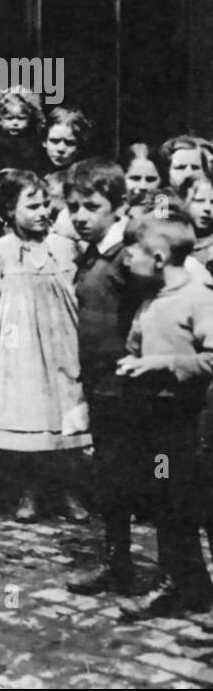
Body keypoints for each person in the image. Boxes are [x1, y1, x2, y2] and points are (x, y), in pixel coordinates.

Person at [0, 170, 90, 523]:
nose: (42, 211)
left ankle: (66, 491)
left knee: (62, 418)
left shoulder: (64, 246)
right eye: (32, 205)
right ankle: (22, 491)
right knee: (22, 415)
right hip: (15, 347)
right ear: (9, 212)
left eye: (46, 203)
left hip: (61, 344)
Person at [116, 213, 213, 620]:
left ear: (158, 257)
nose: (125, 259)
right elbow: (137, 347)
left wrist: (163, 363)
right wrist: (132, 362)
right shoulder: (151, 297)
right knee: (166, 499)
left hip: (193, 425)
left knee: (199, 506)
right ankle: (182, 584)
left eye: (132, 252)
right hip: (157, 424)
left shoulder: (200, 297)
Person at [61, 160, 144, 596]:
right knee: (110, 478)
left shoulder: (129, 256)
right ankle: (118, 564)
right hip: (102, 386)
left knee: (153, 479)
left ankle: (181, 577)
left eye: (92, 206)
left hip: (132, 388)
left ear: (120, 206)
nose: (80, 216)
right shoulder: (94, 255)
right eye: (73, 206)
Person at [0, 87, 44, 175]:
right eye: (9, 118)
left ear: (29, 119)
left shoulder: (33, 142)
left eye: (21, 118)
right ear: (0, 120)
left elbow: (37, 166)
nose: (15, 123)